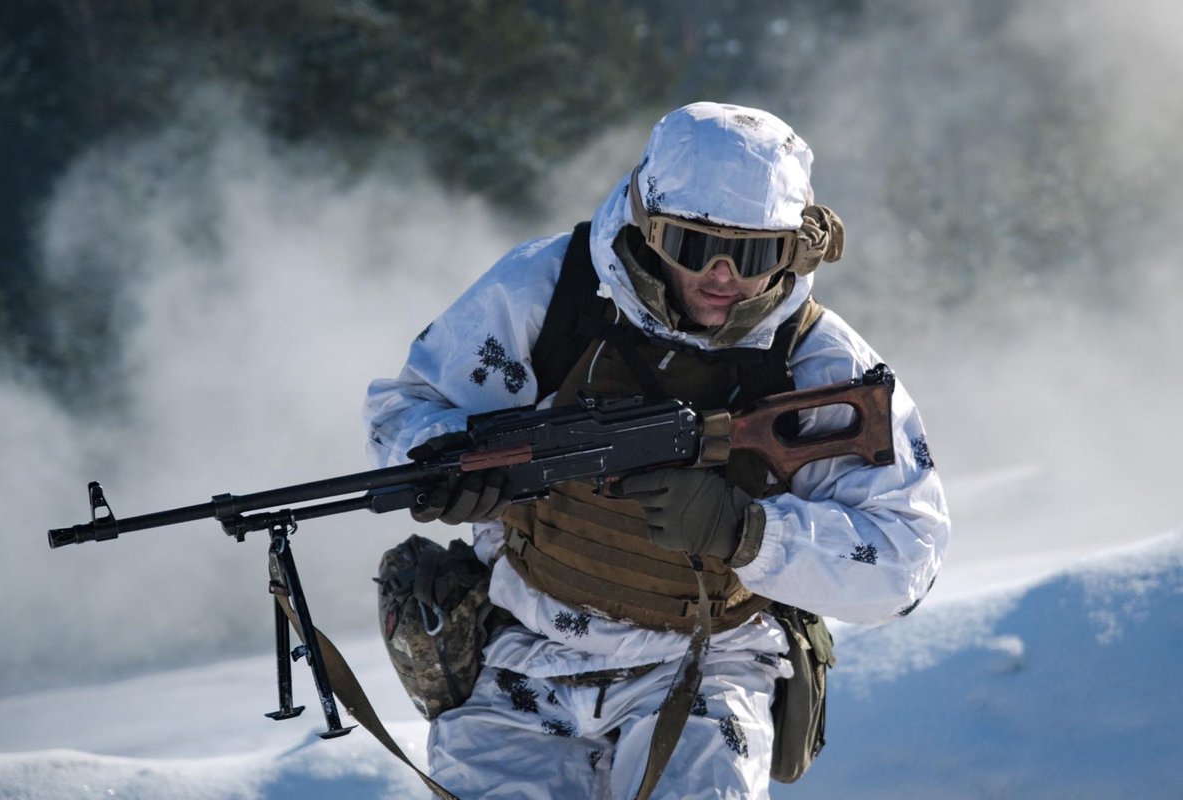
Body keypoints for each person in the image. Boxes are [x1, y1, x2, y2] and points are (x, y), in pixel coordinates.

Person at [363, 102, 950, 799]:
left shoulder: (820, 367)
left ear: (794, 249)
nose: (724, 276)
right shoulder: (554, 293)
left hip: (707, 664)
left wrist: (746, 531)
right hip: (525, 650)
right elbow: (405, 405)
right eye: (696, 246)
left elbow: (904, 563)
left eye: (755, 253)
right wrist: (440, 460)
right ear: (649, 226)